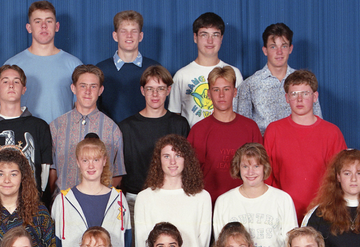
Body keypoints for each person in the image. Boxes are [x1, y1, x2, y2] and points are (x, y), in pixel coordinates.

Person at [263, 69, 346, 221]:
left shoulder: (332, 133)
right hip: (283, 213)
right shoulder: (274, 130)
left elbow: (340, 177)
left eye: (305, 93)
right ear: (287, 98)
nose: (299, 99)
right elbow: (267, 175)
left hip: (322, 213)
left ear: (315, 97)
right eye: (294, 94)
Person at [212, 143, 298, 247]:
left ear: (265, 168)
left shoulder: (282, 199)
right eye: (245, 166)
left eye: (256, 166)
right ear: (238, 168)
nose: (250, 172)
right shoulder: (224, 202)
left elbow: (292, 244)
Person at [133, 134, 211, 247]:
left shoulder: (202, 197)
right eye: (166, 156)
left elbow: (203, 246)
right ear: (159, 160)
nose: (173, 161)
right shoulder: (144, 197)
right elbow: (142, 244)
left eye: (178, 155)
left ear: (186, 159)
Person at [52, 137, 130, 247]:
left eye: (96, 160)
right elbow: (55, 245)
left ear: (104, 161)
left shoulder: (118, 199)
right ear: (77, 162)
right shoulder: (63, 200)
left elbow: (126, 240)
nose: (91, 166)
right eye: (85, 160)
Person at [187, 66, 262, 202]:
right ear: (209, 94)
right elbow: (189, 176)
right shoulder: (198, 130)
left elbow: (262, 169)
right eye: (216, 90)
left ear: (234, 92)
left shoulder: (250, 127)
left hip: (246, 203)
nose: (221, 95)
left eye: (226, 89)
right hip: (210, 205)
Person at [0, 65, 55, 196]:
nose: (11, 85)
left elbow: (45, 169)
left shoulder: (39, 126)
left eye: (16, 81)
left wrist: (38, 196)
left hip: (30, 202)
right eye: (5, 81)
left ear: (24, 89)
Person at [118, 65, 190, 202]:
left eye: (160, 89)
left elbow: (188, 165)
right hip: (135, 198)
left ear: (168, 90)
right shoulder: (126, 127)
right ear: (142, 91)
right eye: (150, 89)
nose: (155, 94)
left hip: (172, 196)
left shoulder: (179, 124)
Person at [49, 65, 126, 192]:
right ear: (73, 88)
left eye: (93, 86)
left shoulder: (112, 129)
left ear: (100, 90)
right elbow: (52, 170)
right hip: (64, 203)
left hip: (99, 205)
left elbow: (117, 172)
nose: (88, 91)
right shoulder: (57, 126)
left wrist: (99, 196)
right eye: (83, 86)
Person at [4, 0, 82, 123]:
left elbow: (81, 109)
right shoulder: (13, 66)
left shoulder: (74, 65)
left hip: (62, 138)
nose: (44, 26)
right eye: (38, 21)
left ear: (57, 26)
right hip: (25, 138)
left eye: (49, 21)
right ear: (29, 28)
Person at [237, 22, 322, 134]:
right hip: (264, 148)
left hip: (301, 144)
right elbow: (244, 128)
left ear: (290, 49)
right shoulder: (250, 84)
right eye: (273, 47)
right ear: (265, 50)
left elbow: (318, 120)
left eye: (284, 46)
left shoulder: (305, 82)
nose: (279, 52)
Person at [169, 12, 244, 128]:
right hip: (191, 143)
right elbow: (174, 118)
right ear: (195, 38)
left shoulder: (234, 73)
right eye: (204, 35)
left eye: (215, 35)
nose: (210, 41)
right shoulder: (181, 76)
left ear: (221, 38)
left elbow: (241, 113)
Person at [94, 10, 163, 123]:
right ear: (115, 36)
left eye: (134, 31)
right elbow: (96, 108)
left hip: (146, 134)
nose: (129, 36)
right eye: (123, 31)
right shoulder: (101, 69)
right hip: (110, 136)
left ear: (140, 36)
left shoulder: (154, 68)